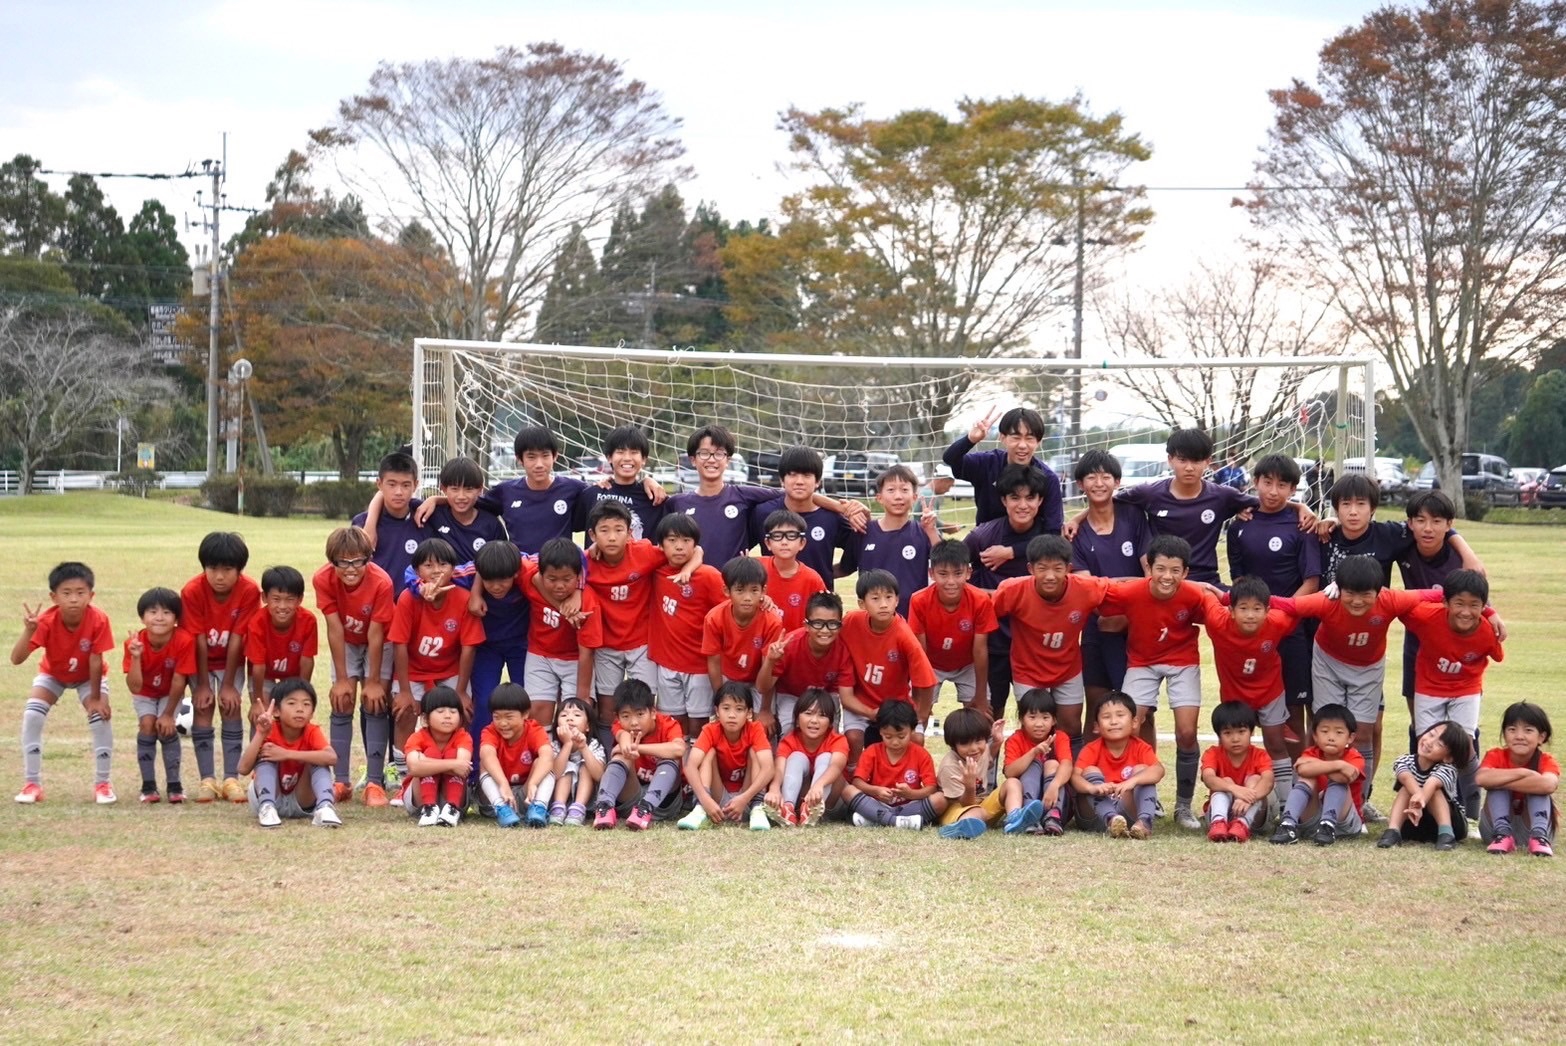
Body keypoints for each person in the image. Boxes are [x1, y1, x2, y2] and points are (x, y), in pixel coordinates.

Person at [1317, 474, 1482, 807]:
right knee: (1418, 725)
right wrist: (1326, 518)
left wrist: (1466, 549)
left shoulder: (1444, 553)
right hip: (1410, 643)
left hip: (1446, 649)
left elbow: (1440, 527)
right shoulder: (1390, 539)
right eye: (1419, 522)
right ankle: (1410, 797)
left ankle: (1463, 804)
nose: (1427, 528)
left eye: (1435, 523)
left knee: (1458, 732)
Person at [1268, 554, 1475, 821]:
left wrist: (1489, 613)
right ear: (1339, 589)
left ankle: (1357, 805)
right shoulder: (1326, 600)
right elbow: (1286, 604)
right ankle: (1309, 804)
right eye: (1350, 593)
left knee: (1363, 733)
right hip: (1328, 663)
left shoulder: (1391, 600)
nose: (1357, 601)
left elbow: (1440, 595)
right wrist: (1228, 598)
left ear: (1379, 592)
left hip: (1368, 668)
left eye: (1365, 594)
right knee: (1324, 730)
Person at [1096, 535, 1208, 829]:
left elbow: (1224, 610)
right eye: (1160, 568)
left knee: (1186, 732)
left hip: (1183, 661)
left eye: (1175, 570)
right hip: (1142, 662)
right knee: (1131, 724)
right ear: (1149, 568)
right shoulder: (1130, 592)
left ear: (1185, 573)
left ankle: (1183, 806)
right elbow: (1093, 593)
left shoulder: (1196, 595)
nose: (1167, 577)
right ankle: (1146, 797)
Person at [1225, 454, 1321, 758]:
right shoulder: (1239, 525)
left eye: (1283, 485)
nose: (1274, 491)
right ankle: (1263, 784)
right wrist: (1254, 618)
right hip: (1252, 633)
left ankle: (1301, 786)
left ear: (1293, 490)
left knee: (1294, 710)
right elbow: (1238, 582)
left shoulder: (1302, 524)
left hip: (1291, 630)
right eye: (1267, 482)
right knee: (1254, 712)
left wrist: (1282, 616)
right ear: (1256, 482)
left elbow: (1312, 582)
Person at [991, 534, 1114, 744]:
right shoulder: (1012, 590)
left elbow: (1122, 591)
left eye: (1057, 568)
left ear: (1068, 568)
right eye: (1042, 568)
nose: (1050, 576)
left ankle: (1067, 774)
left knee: (1071, 726)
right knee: (1034, 729)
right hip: (1028, 670)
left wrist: (1154, 582)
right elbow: (984, 613)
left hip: (1068, 669)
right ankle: (1030, 775)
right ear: (1030, 569)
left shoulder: (1086, 588)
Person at [1401, 569, 1503, 819]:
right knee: (1428, 747)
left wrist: (1489, 614)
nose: (1466, 612)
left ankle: (1472, 816)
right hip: (1429, 687)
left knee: (1464, 747)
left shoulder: (1488, 632)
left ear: (1482, 606)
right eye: (1458, 603)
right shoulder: (1426, 617)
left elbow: (1497, 655)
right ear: (1445, 602)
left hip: (1465, 688)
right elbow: (1400, 605)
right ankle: (1426, 811)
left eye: (1474, 605)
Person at [11, 562, 116, 805]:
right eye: (66, 593)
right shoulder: (46, 621)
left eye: (80, 593)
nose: (73, 599)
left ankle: (103, 784)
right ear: (53, 597)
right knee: (32, 715)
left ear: (91, 595)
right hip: (54, 674)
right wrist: (29, 631)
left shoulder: (99, 619)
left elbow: (96, 660)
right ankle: (32, 784)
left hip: (88, 676)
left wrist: (97, 700)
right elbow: (16, 659)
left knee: (100, 717)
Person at [389, 538, 484, 798]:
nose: (436, 570)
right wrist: (406, 690)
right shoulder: (408, 598)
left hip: (449, 669)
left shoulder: (463, 598)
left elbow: (468, 648)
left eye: (443, 564)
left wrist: (462, 691)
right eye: (428, 565)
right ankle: (404, 777)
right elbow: (399, 645)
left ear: (454, 568)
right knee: (405, 711)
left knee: (462, 712)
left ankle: (456, 773)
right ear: (417, 571)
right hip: (415, 669)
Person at [964, 464, 1056, 721]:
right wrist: (989, 595)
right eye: (1015, 497)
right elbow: (953, 573)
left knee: (1037, 715)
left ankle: (1034, 762)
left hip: (1036, 645)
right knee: (992, 713)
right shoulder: (982, 536)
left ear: (1040, 501)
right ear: (1004, 500)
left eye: (1030, 497)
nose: (1022, 505)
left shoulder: (1048, 540)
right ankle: (987, 762)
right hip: (995, 645)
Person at [1196, 576, 1298, 808]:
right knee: (1232, 744)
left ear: (1267, 610)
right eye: (1243, 608)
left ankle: (1286, 806)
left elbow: (1297, 606)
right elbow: (1204, 593)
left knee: (1275, 742)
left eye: (1257, 608)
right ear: (1230, 610)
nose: (1250, 614)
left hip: (1270, 691)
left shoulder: (1278, 621)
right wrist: (1218, 594)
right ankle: (1221, 800)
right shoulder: (1217, 620)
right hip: (1235, 695)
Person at [583, 501, 689, 718]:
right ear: (593, 535)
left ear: (630, 533)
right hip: (606, 644)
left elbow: (695, 549)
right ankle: (608, 749)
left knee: (645, 704)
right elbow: (549, 568)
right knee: (607, 706)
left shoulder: (644, 553)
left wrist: (687, 570)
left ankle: (647, 750)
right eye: (604, 531)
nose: (612, 537)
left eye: (618, 530)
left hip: (641, 643)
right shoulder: (585, 562)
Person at [313, 525, 394, 805]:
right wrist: (342, 679)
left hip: (377, 640)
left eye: (357, 560)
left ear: (368, 558)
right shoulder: (322, 579)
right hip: (346, 641)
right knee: (342, 700)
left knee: (375, 702)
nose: (350, 568)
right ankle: (341, 780)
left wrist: (372, 681)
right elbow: (334, 628)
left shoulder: (381, 582)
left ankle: (374, 782)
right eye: (342, 562)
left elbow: (376, 632)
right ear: (331, 560)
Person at [1069, 450, 1148, 722]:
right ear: (1080, 484)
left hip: (1136, 625)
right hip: (1096, 626)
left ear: (1117, 481)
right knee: (1098, 709)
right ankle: (1091, 766)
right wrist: (1125, 587)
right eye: (1091, 477)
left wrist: (1125, 610)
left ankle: (1146, 763)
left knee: (1139, 712)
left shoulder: (1134, 516)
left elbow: (1150, 576)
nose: (1099, 483)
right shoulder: (1074, 533)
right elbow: (1087, 588)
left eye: (1106, 477)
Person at [181, 532, 260, 804]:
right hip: (200, 660)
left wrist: (228, 685)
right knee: (203, 708)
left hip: (232, 661)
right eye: (213, 568)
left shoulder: (249, 591)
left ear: (239, 570)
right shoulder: (192, 591)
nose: (219, 576)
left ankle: (231, 778)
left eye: (227, 569)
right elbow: (198, 639)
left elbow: (239, 638)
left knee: (231, 706)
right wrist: (202, 684)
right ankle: (207, 780)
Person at [837, 570, 937, 769]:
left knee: (915, 739)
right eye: (875, 598)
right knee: (853, 738)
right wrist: (869, 712)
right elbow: (828, 634)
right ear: (861, 604)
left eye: (889, 597)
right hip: (860, 703)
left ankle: (903, 782)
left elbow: (926, 680)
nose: (883, 604)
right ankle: (852, 781)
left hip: (895, 706)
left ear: (897, 600)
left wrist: (921, 714)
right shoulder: (850, 622)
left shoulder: (904, 636)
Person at [647, 514, 727, 737]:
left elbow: (729, 611)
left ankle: (698, 765)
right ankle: (677, 768)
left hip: (700, 664)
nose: (679, 546)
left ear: (695, 544)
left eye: (686, 540)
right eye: (672, 540)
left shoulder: (709, 576)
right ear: (661, 545)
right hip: (666, 663)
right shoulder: (655, 571)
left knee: (698, 723)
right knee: (673, 723)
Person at [516, 537, 602, 724]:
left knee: (572, 719)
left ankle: (575, 752)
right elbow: (498, 555)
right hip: (540, 655)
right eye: (552, 579)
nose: (560, 585)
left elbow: (586, 653)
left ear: (579, 576)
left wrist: (582, 697)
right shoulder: (530, 575)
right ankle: (545, 752)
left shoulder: (587, 603)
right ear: (541, 574)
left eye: (567, 579)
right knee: (537, 712)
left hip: (574, 660)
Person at [837, 465, 940, 619]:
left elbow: (945, 564)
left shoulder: (923, 532)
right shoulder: (863, 532)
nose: (898, 496)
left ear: (914, 497)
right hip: (872, 623)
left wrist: (931, 530)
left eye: (904, 490)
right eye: (891, 490)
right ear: (879, 498)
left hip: (913, 621)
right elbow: (845, 567)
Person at [123, 588, 195, 806]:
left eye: (166, 612)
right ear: (142, 617)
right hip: (145, 692)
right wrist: (136, 657)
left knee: (166, 728)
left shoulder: (184, 640)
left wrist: (167, 715)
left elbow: (179, 680)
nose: (159, 617)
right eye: (152, 612)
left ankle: (175, 785)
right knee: (147, 725)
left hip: (170, 693)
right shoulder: (134, 643)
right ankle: (148, 786)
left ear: (176, 618)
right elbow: (135, 687)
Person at [751, 445, 865, 583]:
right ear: (782, 480)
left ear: (817, 482)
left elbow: (855, 552)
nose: (799, 481)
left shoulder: (832, 517)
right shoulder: (762, 512)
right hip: (774, 600)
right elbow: (742, 549)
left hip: (819, 601)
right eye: (792, 474)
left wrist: (831, 572)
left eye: (807, 475)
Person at [908, 540, 997, 715]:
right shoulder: (919, 600)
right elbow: (920, 651)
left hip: (967, 664)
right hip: (931, 664)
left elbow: (980, 650)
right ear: (931, 573)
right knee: (918, 717)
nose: (951, 581)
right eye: (943, 574)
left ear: (969, 572)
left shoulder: (980, 600)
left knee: (982, 717)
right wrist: (922, 695)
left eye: (958, 573)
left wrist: (980, 695)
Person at [239, 678, 340, 829]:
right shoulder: (269, 730)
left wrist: (286, 753)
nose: (300, 709)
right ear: (276, 711)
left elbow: (331, 757)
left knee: (319, 759)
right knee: (267, 755)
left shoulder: (312, 731)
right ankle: (267, 808)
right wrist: (260, 733)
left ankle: (325, 807)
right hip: (270, 795)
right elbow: (243, 768)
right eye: (292, 703)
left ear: (312, 712)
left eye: (306, 704)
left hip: (302, 799)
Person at [942, 405, 1065, 530]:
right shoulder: (987, 463)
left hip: (1030, 546)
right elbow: (950, 458)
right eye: (1016, 438)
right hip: (986, 541)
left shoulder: (1048, 478)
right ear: (1002, 438)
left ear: (1039, 442)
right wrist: (970, 440)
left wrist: (1012, 550)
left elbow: (1053, 529)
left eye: (1029, 438)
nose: (1022, 445)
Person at [756, 591, 856, 738]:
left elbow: (846, 697)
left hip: (826, 694)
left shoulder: (843, 650)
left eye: (832, 624)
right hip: (792, 695)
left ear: (840, 626)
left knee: (830, 735)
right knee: (789, 730)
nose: (825, 630)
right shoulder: (789, 645)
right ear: (806, 625)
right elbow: (762, 687)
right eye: (818, 623)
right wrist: (770, 661)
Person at [463, 541, 530, 758]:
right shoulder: (471, 571)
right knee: (483, 704)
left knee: (526, 703)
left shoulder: (526, 564)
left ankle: (523, 762)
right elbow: (415, 572)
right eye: (489, 580)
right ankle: (476, 769)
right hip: (487, 648)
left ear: (515, 572)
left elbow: (573, 554)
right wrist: (475, 589)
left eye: (503, 580)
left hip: (522, 645)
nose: (496, 587)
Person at [678, 682, 775, 831]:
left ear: (749, 713)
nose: (732, 715)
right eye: (726, 708)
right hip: (716, 798)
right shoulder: (710, 730)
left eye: (739, 709)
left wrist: (745, 798)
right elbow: (690, 766)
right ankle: (699, 809)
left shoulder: (755, 729)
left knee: (754, 752)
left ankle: (757, 808)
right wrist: (705, 800)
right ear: (717, 711)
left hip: (747, 795)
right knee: (709, 752)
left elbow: (768, 768)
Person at [593, 678, 688, 830]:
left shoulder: (668, 724)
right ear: (618, 717)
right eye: (626, 716)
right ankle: (604, 806)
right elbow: (622, 737)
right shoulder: (621, 727)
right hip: (631, 799)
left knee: (671, 758)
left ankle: (646, 808)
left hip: (664, 803)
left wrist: (639, 748)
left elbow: (679, 749)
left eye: (640, 714)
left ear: (653, 712)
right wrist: (626, 745)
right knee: (621, 755)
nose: (633, 722)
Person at [701, 556, 785, 724]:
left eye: (754, 590)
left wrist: (765, 710)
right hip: (727, 677)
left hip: (757, 681)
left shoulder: (772, 621)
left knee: (761, 726)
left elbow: (767, 676)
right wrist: (720, 702)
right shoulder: (714, 618)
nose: (747, 597)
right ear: (727, 591)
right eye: (740, 590)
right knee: (728, 723)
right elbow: (714, 663)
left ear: (763, 591)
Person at [1072, 691, 1164, 839]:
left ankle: (1144, 822)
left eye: (1120, 715)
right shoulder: (1091, 749)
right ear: (1096, 726)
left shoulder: (1141, 747)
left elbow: (1159, 771)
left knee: (1143, 771)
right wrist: (1093, 788)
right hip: (1094, 816)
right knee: (1089, 770)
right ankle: (1110, 819)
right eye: (1106, 717)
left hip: (1126, 814)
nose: (1114, 721)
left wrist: (1133, 781)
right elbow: (1074, 778)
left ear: (1134, 722)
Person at [1270, 703, 1365, 846]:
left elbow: (1342, 778)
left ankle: (1328, 825)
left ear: (1350, 738)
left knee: (1337, 782)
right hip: (1313, 821)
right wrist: (1339, 765)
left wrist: (1314, 766)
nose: (1331, 737)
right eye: (1325, 731)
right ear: (1314, 735)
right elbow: (1303, 771)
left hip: (1345, 823)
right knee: (1306, 778)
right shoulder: (1311, 752)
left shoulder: (1354, 757)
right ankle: (1288, 824)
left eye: (1339, 732)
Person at [841, 699, 945, 830]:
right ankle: (897, 821)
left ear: (912, 730)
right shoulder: (872, 751)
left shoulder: (921, 754)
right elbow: (857, 783)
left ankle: (877, 819)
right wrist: (876, 790)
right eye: (888, 737)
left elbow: (931, 788)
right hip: (877, 803)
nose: (895, 742)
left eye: (901, 736)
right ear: (880, 732)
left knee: (940, 800)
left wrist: (911, 794)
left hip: (910, 805)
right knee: (847, 791)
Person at [1477, 702, 1558, 857]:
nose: (1519, 736)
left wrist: (1502, 779)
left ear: (1541, 737)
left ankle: (1539, 838)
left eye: (1528, 730)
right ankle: (1503, 835)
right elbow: (1481, 778)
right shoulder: (1495, 755)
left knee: (1537, 788)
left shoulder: (1546, 760)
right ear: (1505, 734)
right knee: (1497, 784)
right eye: (1512, 730)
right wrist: (1524, 773)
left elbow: (1548, 785)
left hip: (1533, 828)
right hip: (1494, 832)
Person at [1377, 720, 1472, 850]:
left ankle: (1446, 834)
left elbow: (1432, 783)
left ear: (1448, 757)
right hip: (1413, 820)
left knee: (1435, 791)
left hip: (1452, 824)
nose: (1429, 742)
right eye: (1431, 734)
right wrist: (1417, 799)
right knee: (1406, 788)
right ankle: (1393, 830)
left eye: (1439, 744)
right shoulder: (1404, 760)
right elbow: (1405, 777)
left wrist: (1418, 804)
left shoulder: (1448, 768)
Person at [765, 687, 850, 826]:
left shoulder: (837, 740)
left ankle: (811, 808)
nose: (814, 720)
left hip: (829, 800)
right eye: (808, 713)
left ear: (830, 722)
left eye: (822, 715)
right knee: (796, 757)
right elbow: (779, 769)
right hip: (800, 796)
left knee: (826, 757)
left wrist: (818, 785)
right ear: (797, 719)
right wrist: (774, 789)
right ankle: (788, 808)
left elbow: (836, 766)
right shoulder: (789, 740)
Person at [475, 682, 554, 828]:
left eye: (509, 717)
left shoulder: (533, 729)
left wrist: (533, 783)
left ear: (525, 714)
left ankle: (538, 808)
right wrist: (503, 784)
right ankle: (502, 810)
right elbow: (487, 754)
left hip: (526, 796)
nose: (503, 723)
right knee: (484, 763)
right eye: (497, 717)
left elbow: (547, 757)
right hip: (496, 796)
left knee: (542, 763)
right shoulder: (490, 731)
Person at [999, 688, 1074, 836]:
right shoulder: (1015, 739)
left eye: (1045, 718)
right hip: (1025, 796)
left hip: (1054, 797)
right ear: (1021, 719)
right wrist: (1033, 752)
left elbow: (1067, 765)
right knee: (1032, 764)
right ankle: (1029, 815)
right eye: (1032, 717)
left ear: (1054, 720)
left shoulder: (1060, 737)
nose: (1039, 724)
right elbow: (1009, 772)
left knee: (1052, 764)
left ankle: (1053, 816)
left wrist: (1054, 785)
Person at [574, 425, 667, 541]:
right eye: (620, 452)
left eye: (634, 452)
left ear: (643, 459)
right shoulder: (591, 495)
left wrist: (647, 480)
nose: (627, 458)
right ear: (609, 457)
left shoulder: (654, 498)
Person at [244, 566, 318, 713]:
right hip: (264, 674)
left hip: (293, 675)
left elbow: (307, 661)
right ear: (264, 597)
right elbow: (258, 667)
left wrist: (301, 695)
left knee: (292, 715)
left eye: (290, 600)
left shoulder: (308, 621)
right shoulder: (256, 623)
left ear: (300, 599)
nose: (282, 606)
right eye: (276, 599)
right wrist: (257, 703)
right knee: (262, 715)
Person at [1200, 701, 1275, 843]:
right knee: (1225, 781)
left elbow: (1268, 781)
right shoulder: (1213, 753)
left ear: (1252, 731)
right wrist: (1234, 789)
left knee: (1254, 779)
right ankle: (1219, 822)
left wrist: (1247, 797)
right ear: (1219, 735)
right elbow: (1208, 777)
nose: (1235, 739)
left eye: (1241, 731)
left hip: (1255, 815)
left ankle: (1242, 824)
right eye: (1227, 733)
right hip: (1223, 811)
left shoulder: (1260, 755)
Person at [353, 451, 424, 598]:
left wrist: (435, 499)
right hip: (376, 609)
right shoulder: (362, 524)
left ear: (416, 485)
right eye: (391, 484)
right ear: (379, 484)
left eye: (405, 485)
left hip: (416, 608)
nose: (398, 492)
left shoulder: (425, 517)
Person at [402, 685, 474, 827]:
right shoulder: (417, 737)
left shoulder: (463, 736)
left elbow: (463, 768)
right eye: (440, 711)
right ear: (425, 718)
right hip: (419, 799)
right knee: (432, 752)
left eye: (453, 711)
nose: (448, 716)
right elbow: (414, 767)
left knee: (448, 754)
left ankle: (452, 808)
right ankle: (429, 808)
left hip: (455, 797)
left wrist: (426, 763)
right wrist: (452, 764)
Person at [935, 706, 1009, 840]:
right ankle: (956, 829)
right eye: (965, 743)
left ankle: (1015, 818)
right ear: (953, 744)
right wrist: (969, 787)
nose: (974, 748)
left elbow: (988, 761)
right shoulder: (950, 766)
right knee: (977, 812)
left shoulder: (982, 750)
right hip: (957, 810)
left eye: (979, 740)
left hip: (981, 803)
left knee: (1012, 784)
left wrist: (997, 742)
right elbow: (966, 804)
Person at [422, 456, 509, 563]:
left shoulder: (491, 525)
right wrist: (433, 499)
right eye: (455, 489)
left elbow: (502, 564)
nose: (461, 496)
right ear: (443, 489)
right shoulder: (433, 516)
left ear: (480, 490)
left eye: (469, 489)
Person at [757, 508, 827, 631]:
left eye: (791, 536)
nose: (784, 542)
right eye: (777, 536)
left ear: (802, 543)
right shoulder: (755, 568)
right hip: (760, 644)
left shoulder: (812, 579)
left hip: (796, 646)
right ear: (768, 543)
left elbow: (823, 617)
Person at [543, 697, 606, 827]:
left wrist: (583, 747)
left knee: (585, 766)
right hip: (558, 797)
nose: (569, 718)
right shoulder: (554, 745)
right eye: (564, 715)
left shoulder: (593, 744)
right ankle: (558, 808)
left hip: (587, 800)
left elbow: (599, 775)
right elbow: (554, 773)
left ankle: (578, 809)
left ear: (587, 726)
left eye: (577, 715)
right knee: (568, 765)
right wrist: (567, 744)